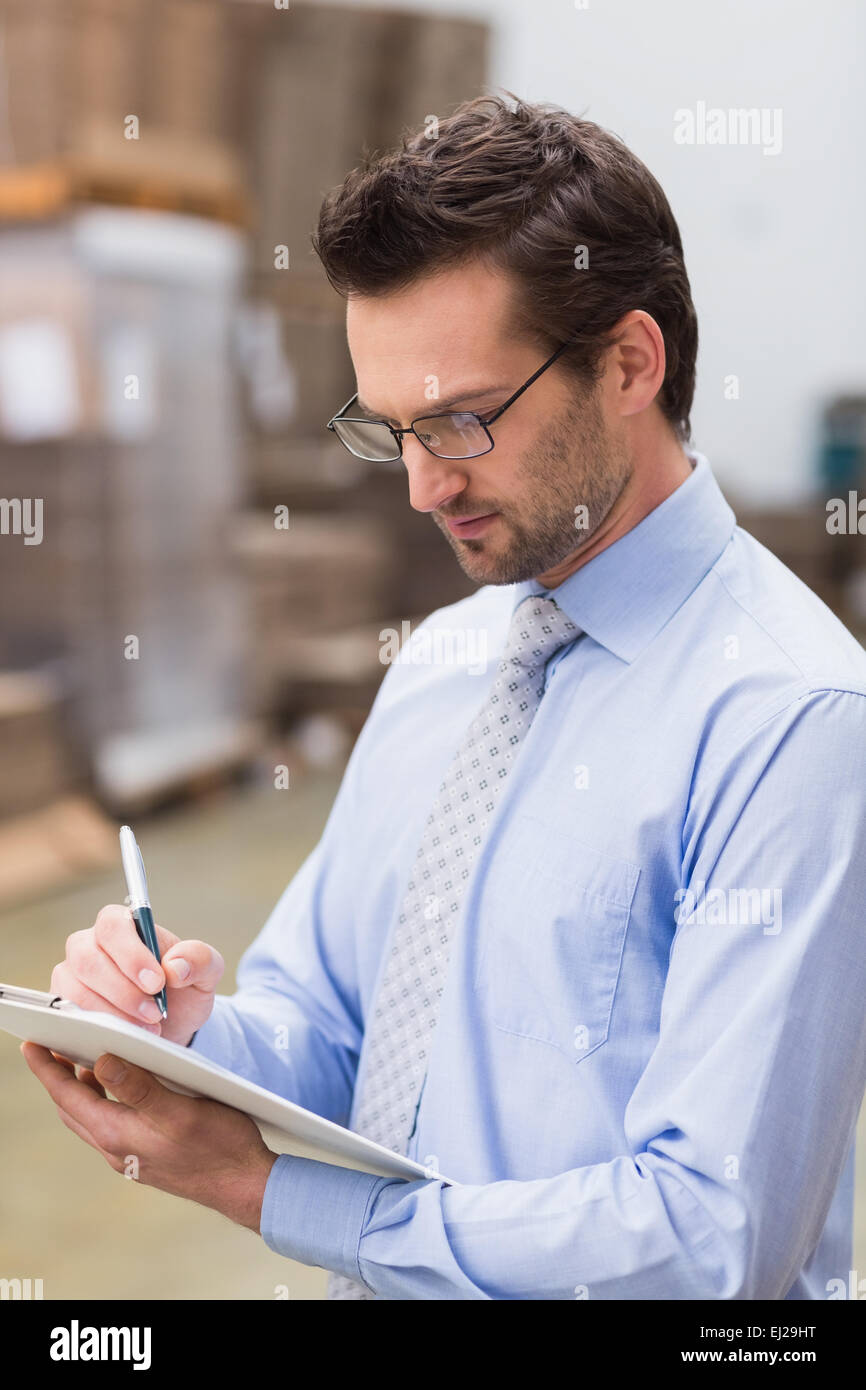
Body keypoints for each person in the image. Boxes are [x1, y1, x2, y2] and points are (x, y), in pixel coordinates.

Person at [23, 94, 866, 1300]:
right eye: (391, 430)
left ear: (629, 362)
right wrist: (179, 1034)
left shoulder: (790, 719)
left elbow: (705, 1243)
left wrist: (265, 1191)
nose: (421, 486)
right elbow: (327, 1026)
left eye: (461, 421)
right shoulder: (448, 663)